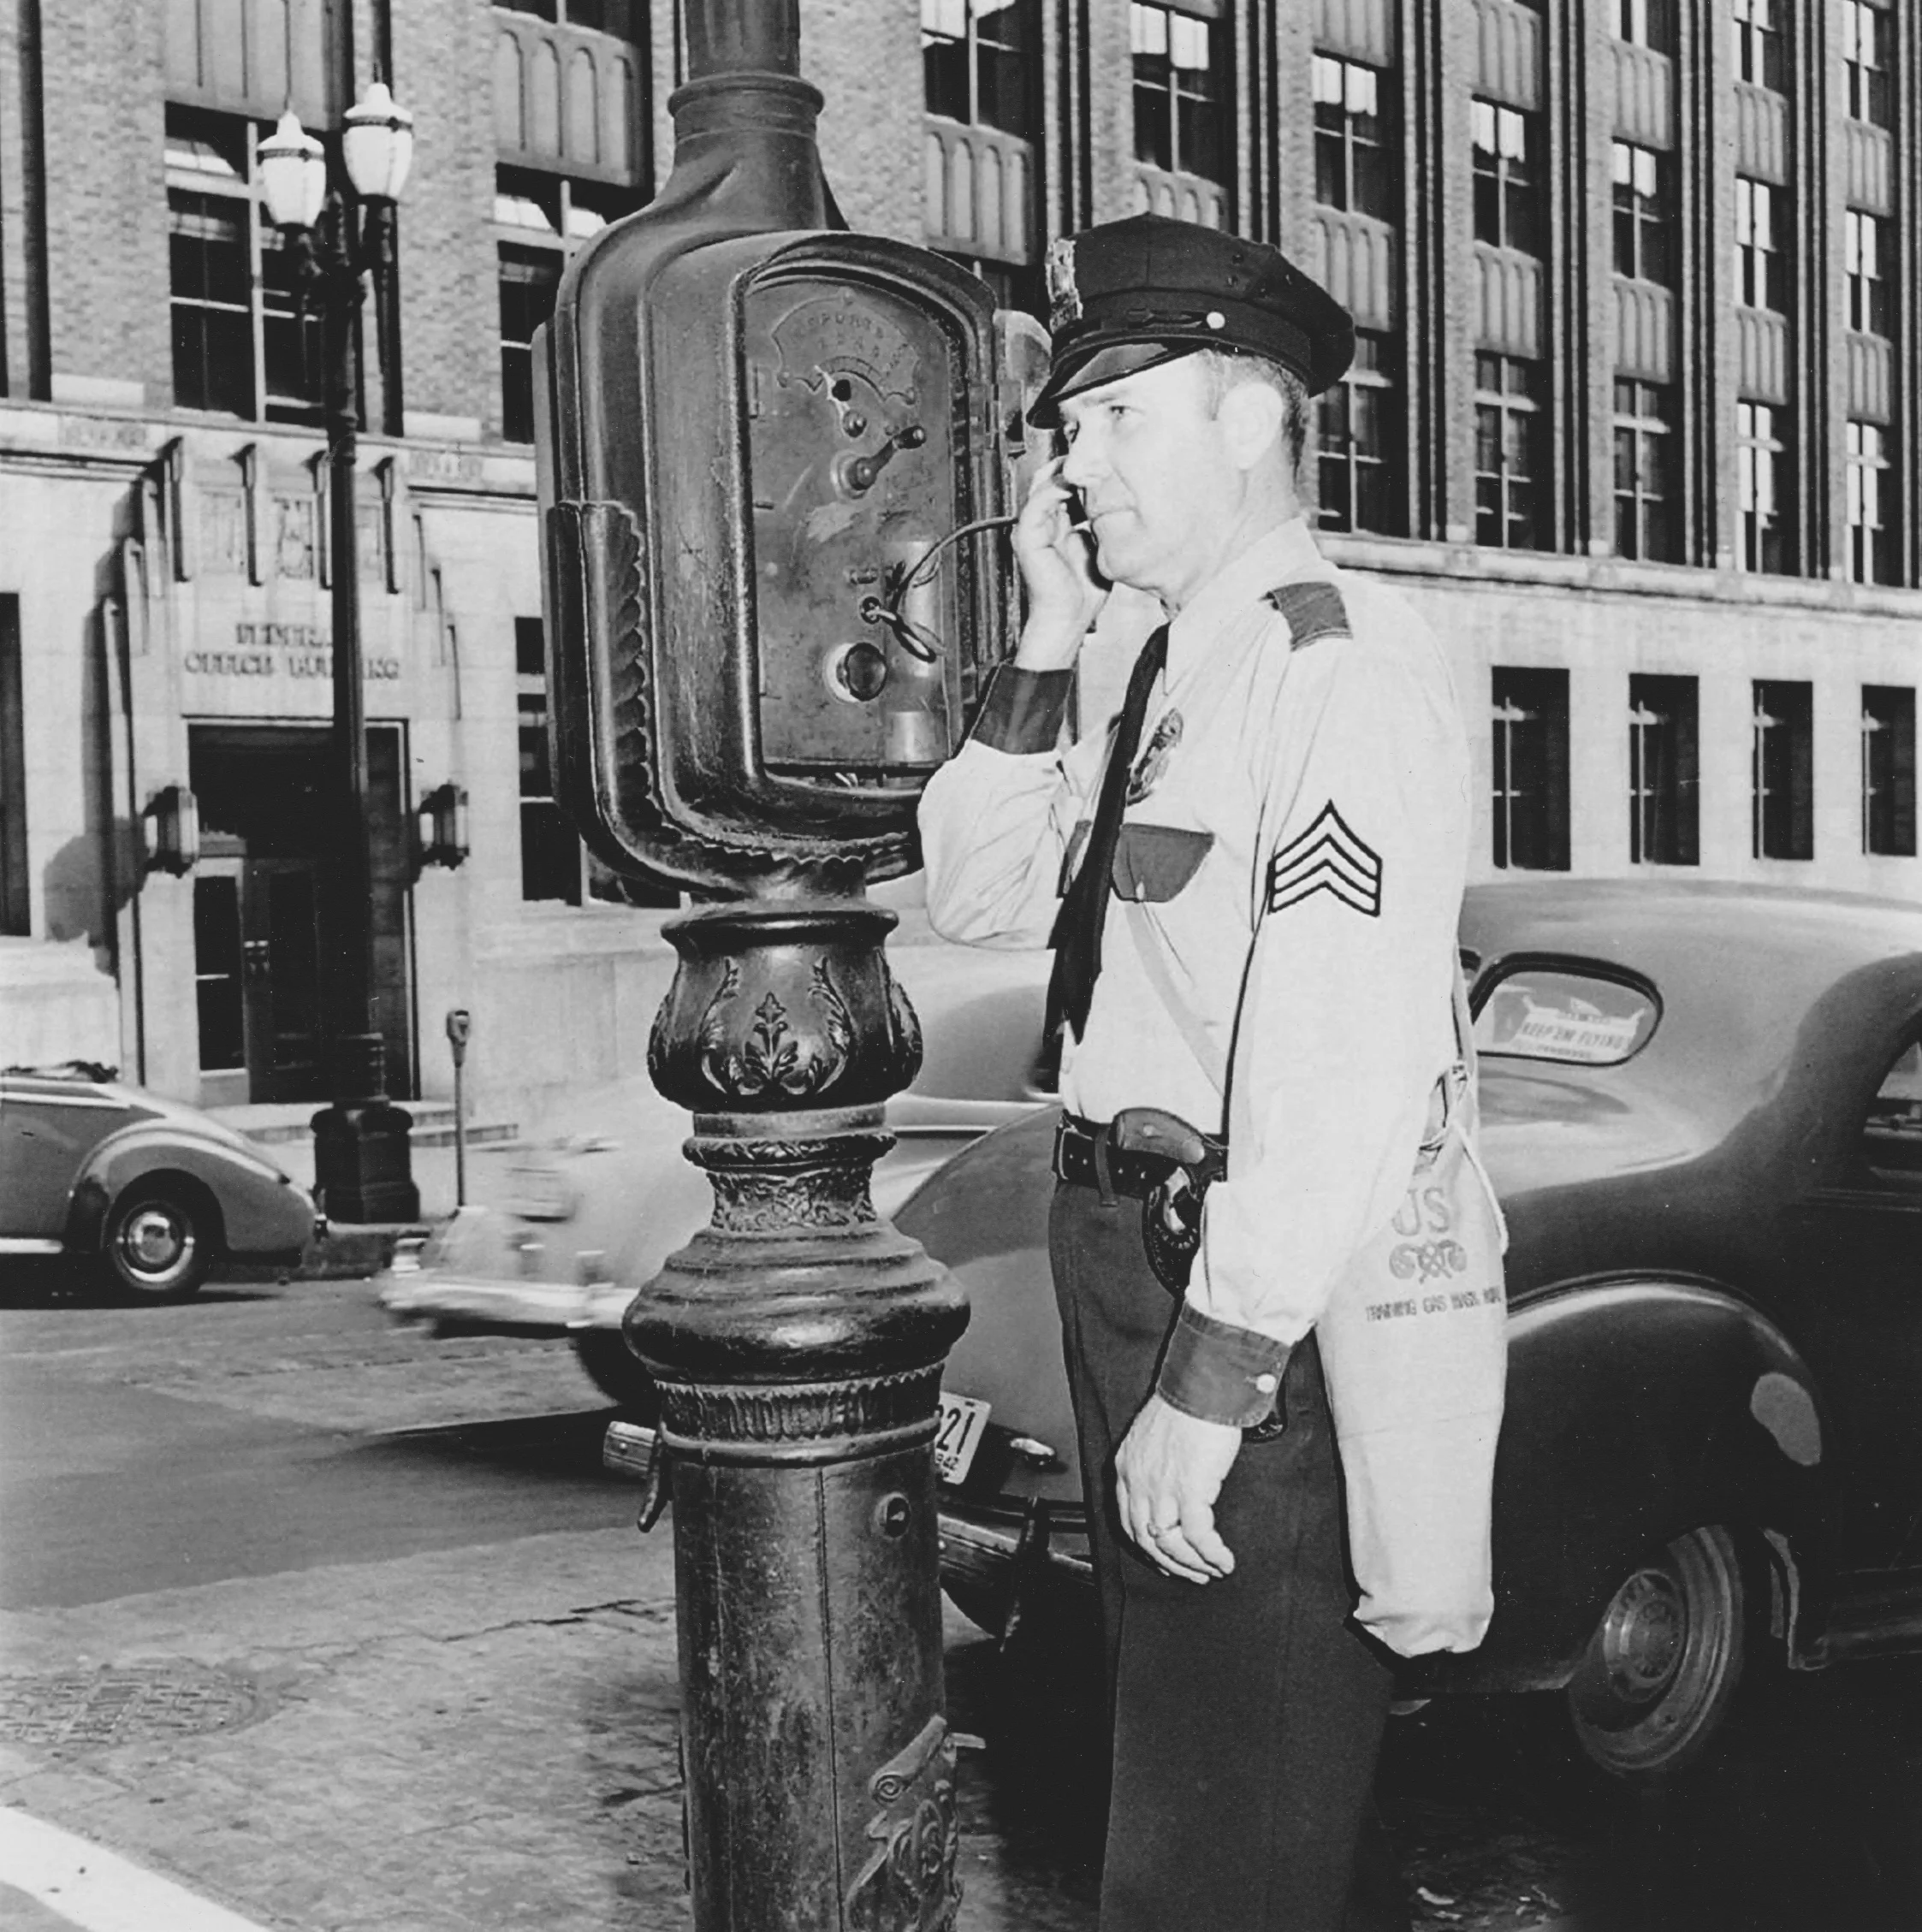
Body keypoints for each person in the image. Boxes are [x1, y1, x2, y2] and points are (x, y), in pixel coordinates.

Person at [918, 212, 1474, 1932]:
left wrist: (1216, 1376)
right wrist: (1040, 636)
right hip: (1124, 1253)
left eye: (1111, 417)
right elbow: (977, 888)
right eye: (1068, 426)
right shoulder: (1161, 663)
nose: (1069, 466)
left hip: (1232, 1281)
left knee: (1220, 1832)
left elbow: (1336, 1057)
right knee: (1199, 1774)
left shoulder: (1333, 666)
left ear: (1243, 419)